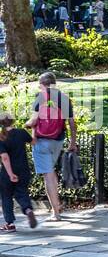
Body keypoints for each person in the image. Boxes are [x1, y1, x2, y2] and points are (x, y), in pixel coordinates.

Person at [26, 71, 76, 220]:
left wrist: (25, 125)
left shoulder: (40, 98)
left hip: (41, 141)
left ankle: (56, 212)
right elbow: (72, 124)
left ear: (42, 84)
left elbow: (33, 122)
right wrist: (73, 143)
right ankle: (57, 205)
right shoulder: (64, 98)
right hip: (58, 140)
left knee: (48, 175)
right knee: (51, 171)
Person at [0, 112, 36, 231]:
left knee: (6, 196)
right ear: (12, 121)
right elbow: (33, 142)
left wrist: (10, 174)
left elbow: (5, 157)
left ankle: (10, 224)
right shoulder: (21, 132)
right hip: (23, 169)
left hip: (7, 173)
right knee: (21, 192)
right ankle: (28, 210)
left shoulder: (1, 137)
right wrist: (34, 128)